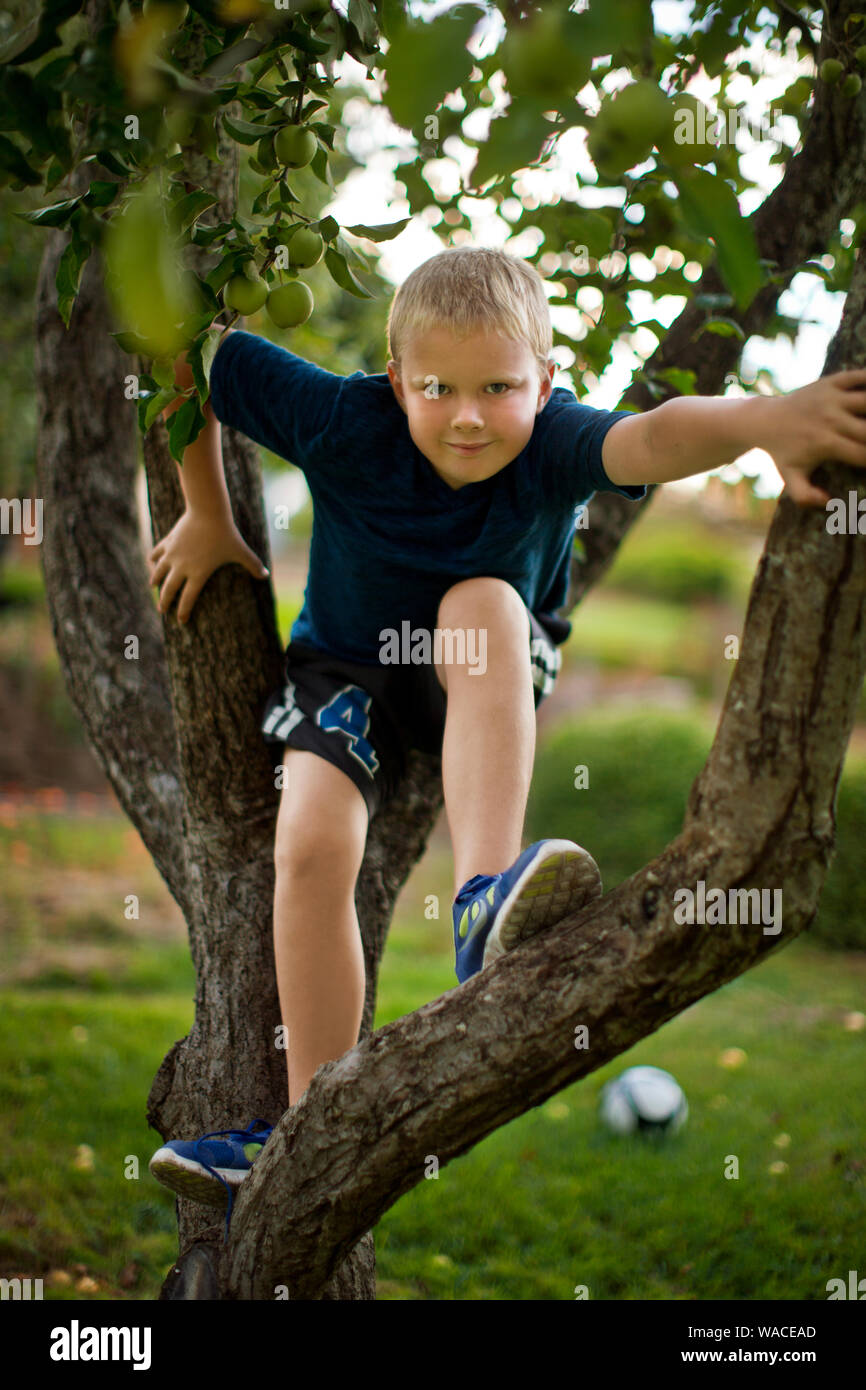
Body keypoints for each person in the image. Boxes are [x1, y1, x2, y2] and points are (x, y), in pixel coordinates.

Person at [146, 244, 866, 1225]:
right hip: (346, 674)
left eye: (499, 386)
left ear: (545, 384)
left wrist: (763, 420)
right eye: (436, 387)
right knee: (308, 843)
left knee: (479, 600)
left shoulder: (553, 442)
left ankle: (483, 894)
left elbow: (653, 438)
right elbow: (181, 351)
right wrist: (203, 513)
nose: (469, 414)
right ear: (395, 380)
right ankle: (309, 1123)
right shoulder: (340, 417)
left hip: (479, 669)